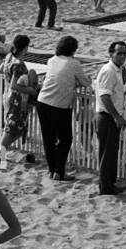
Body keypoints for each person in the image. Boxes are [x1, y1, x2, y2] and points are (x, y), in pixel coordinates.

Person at [37, 35, 89, 182]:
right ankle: (58, 172)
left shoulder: (52, 60)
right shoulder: (73, 63)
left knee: (49, 140)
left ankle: (53, 170)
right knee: (65, 139)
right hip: (58, 105)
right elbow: (85, 82)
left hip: (43, 101)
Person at [0, 35, 38, 170]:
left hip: (7, 95)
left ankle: (1, 151)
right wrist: (30, 89)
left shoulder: (8, 57)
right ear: (24, 48)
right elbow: (14, 85)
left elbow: (0, 70)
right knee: (11, 130)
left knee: (16, 129)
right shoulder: (18, 64)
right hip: (16, 99)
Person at [93, 40, 126, 196]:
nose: (122, 56)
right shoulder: (109, 71)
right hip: (107, 117)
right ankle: (106, 186)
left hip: (110, 116)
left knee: (111, 152)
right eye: (119, 53)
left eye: (124, 53)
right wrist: (117, 117)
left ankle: (109, 183)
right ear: (111, 54)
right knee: (108, 153)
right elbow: (105, 97)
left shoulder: (118, 70)